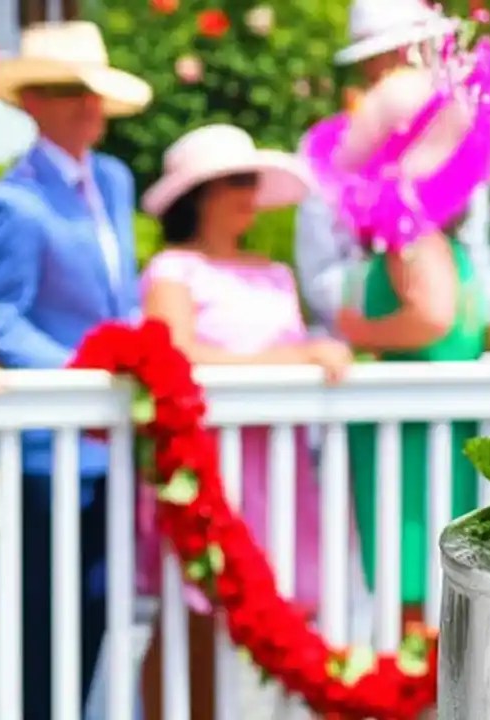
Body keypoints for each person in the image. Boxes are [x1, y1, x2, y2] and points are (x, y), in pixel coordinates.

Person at [302, 13, 490, 628]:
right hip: (423, 422)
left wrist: (357, 326)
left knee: (421, 594)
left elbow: (436, 311)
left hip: (423, 426)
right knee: (432, 593)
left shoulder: (421, 225)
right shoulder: (435, 239)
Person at [0, 20, 152, 720]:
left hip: (112, 438)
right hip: (50, 446)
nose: (87, 106)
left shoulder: (113, 179)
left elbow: (121, 299)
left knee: (103, 605)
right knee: (47, 611)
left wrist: (137, 362)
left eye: (92, 92)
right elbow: (2, 321)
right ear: (33, 102)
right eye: (69, 92)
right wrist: (91, 373)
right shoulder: (12, 201)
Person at [132, 124, 351, 719]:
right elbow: (175, 352)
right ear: (197, 195)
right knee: (191, 614)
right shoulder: (173, 270)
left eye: (251, 178)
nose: (248, 192)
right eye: (234, 180)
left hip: (278, 467)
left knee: (285, 610)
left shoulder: (275, 272)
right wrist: (297, 358)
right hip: (204, 464)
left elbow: (309, 352)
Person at [296, 0, 490, 357]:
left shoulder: (457, 147)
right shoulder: (333, 154)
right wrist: (390, 306)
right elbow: (321, 277)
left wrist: (488, 309)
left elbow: (475, 255)